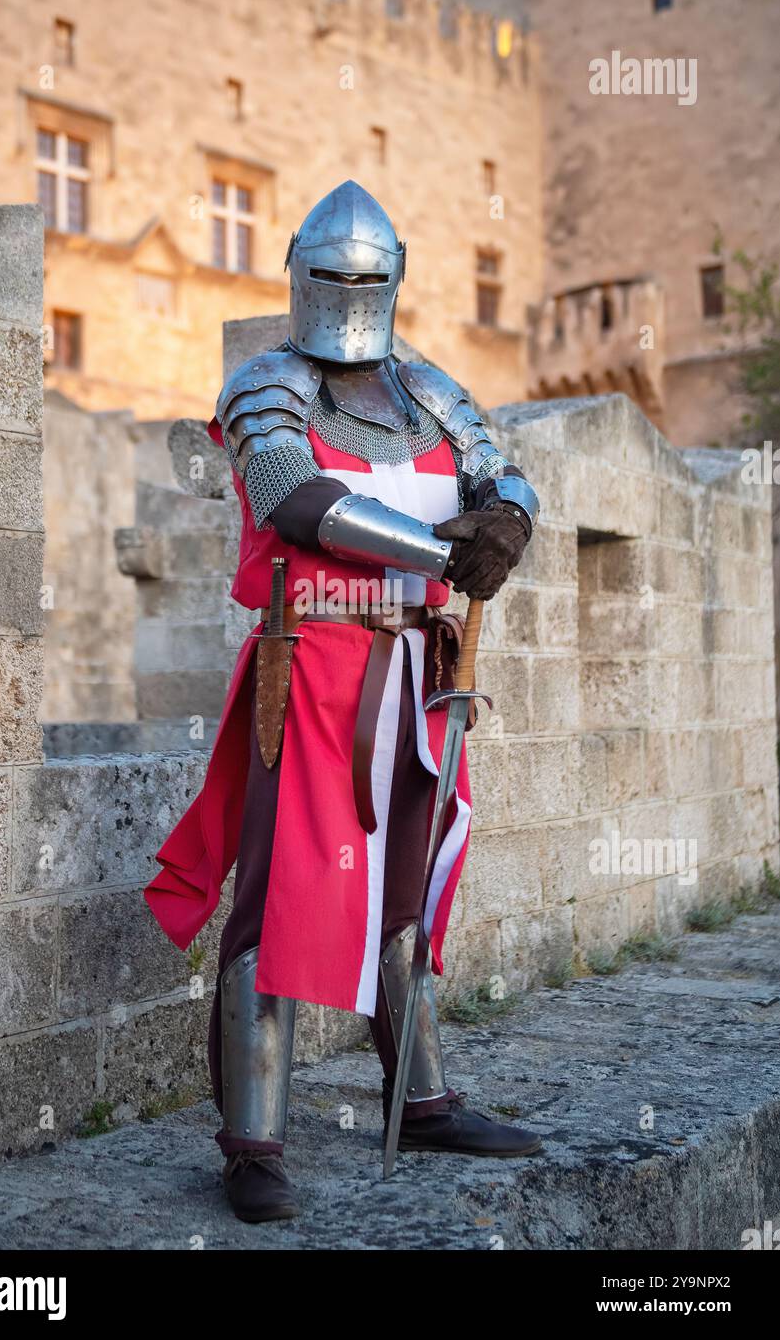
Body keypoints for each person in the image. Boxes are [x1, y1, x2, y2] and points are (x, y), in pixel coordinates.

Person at [145, 181, 543, 1223]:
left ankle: (422, 1096)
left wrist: (503, 521)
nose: (351, 292)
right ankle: (253, 1146)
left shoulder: (430, 391)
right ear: (298, 274)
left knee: (405, 896)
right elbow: (294, 497)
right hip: (311, 665)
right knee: (278, 895)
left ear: (396, 280)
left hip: (419, 668)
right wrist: (436, 548)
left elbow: (505, 474)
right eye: (334, 274)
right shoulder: (264, 382)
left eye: (369, 277)